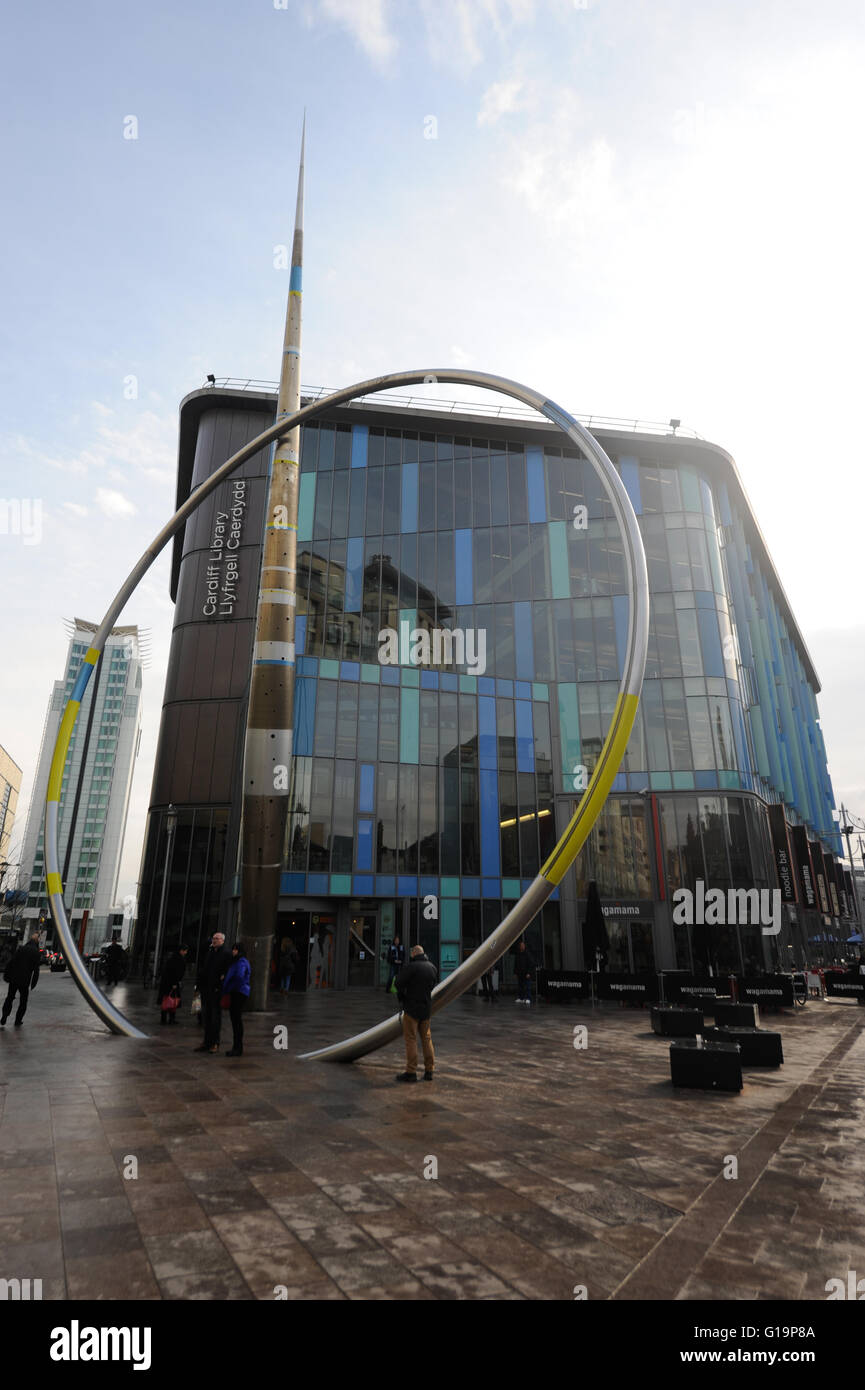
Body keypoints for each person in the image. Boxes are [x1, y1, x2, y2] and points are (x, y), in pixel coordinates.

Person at [395, 943, 437, 1083]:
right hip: (426, 1009)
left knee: (411, 1039)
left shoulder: (411, 967)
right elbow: (432, 986)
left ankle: (411, 1072)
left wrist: (402, 997)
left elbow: (398, 983)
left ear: (414, 954)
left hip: (411, 1008)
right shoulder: (432, 968)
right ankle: (429, 1070)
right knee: (426, 1039)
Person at [195, 932, 232, 1054]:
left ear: (222, 940)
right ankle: (206, 1041)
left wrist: (220, 984)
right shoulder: (210, 952)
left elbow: (226, 972)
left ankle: (215, 1043)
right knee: (206, 1017)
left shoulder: (226, 954)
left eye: (217, 938)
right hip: (207, 989)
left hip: (216, 990)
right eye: (213, 938)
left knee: (215, 1018)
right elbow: (205, 969)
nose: (214, 940)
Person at [1, 932, 41, 1027]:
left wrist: (7, 975)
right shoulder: (36, 952)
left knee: (10, 997)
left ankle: (5, 1014)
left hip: (14, 978)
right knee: (23, 1001)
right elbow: (36, 970)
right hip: (24, 980)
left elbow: (12, 962)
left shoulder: (21, 949)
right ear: (36, 941)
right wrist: (33, 983)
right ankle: (18, 1020)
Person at [222, 943, 251, 1057]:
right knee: (235, 1019)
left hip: (238, 992)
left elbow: (239, 976)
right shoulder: (239, 961)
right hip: (238, 991)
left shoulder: (241, 962)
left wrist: (231, 986)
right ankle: (237, 1047)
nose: (233, 951)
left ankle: (237, 1047)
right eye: (233, 949)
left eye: (235, 950)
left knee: (236, 1019)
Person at [158, 944, 189, 1025]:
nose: (186, 952)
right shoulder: (177, 959)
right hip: (172, 983)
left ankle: (166, 1019)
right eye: (185, 951)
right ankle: (169, 1019)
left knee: (169, 1000)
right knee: (172, 1000)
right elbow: (175, 972)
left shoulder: (173, 958)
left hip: (168, 983)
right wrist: (174, 983)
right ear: (181, 950)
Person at [514, 939, 535, 1006]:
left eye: (523, 945)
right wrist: (515, 973)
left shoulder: (527, 954)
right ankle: (521, 998)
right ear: (519, 946)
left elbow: (531, 964)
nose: (522, 946)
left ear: (525, 946)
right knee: (520, 986)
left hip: (526, 973)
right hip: (520, 973)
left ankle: (528, 998)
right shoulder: (518, 954)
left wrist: (529, 973)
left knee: (527, 986)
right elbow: (515, 964)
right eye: (521, 945)